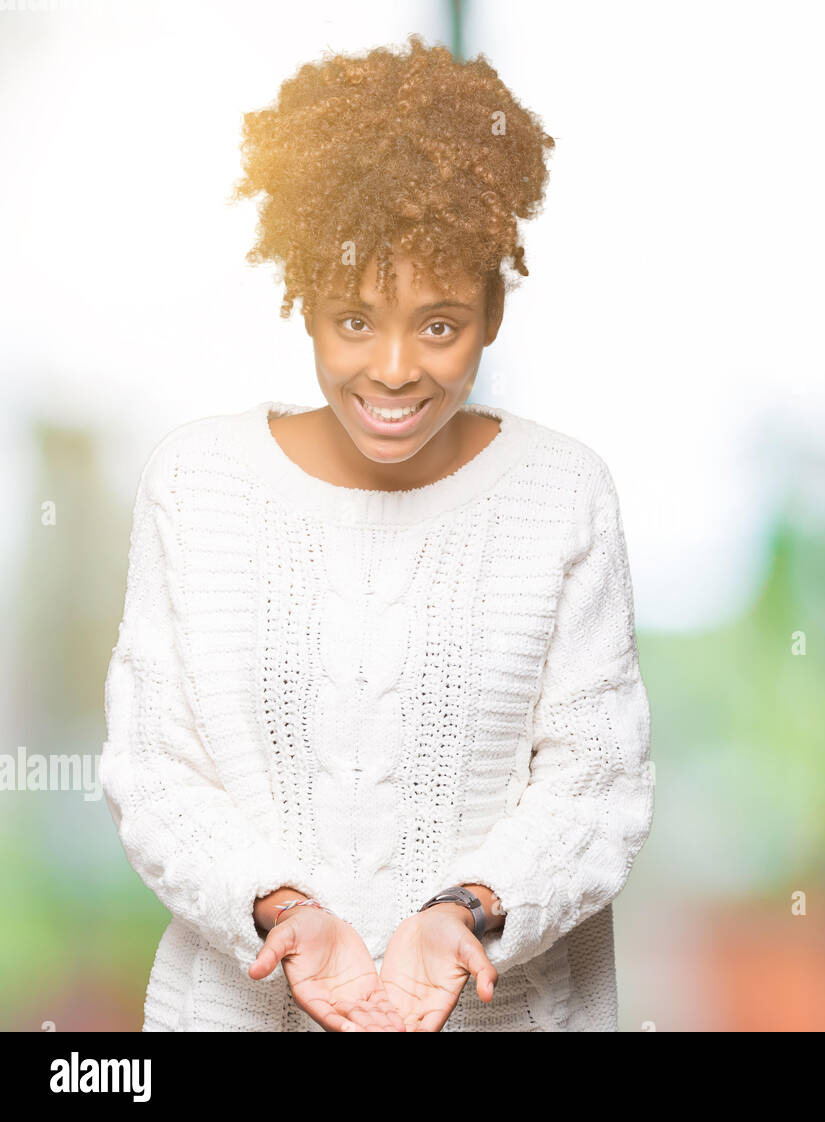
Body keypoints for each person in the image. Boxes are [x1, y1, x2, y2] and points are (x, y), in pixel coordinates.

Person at [100, 34, 653, 1032]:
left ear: (491, 311)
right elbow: (154, 769)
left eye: (438, 324)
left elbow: (597, 779)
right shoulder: (198, 484)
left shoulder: (562, 495)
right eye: (356, 319)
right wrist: (285, 909)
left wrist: (464, 915)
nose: (395, 367)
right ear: (304, 302)